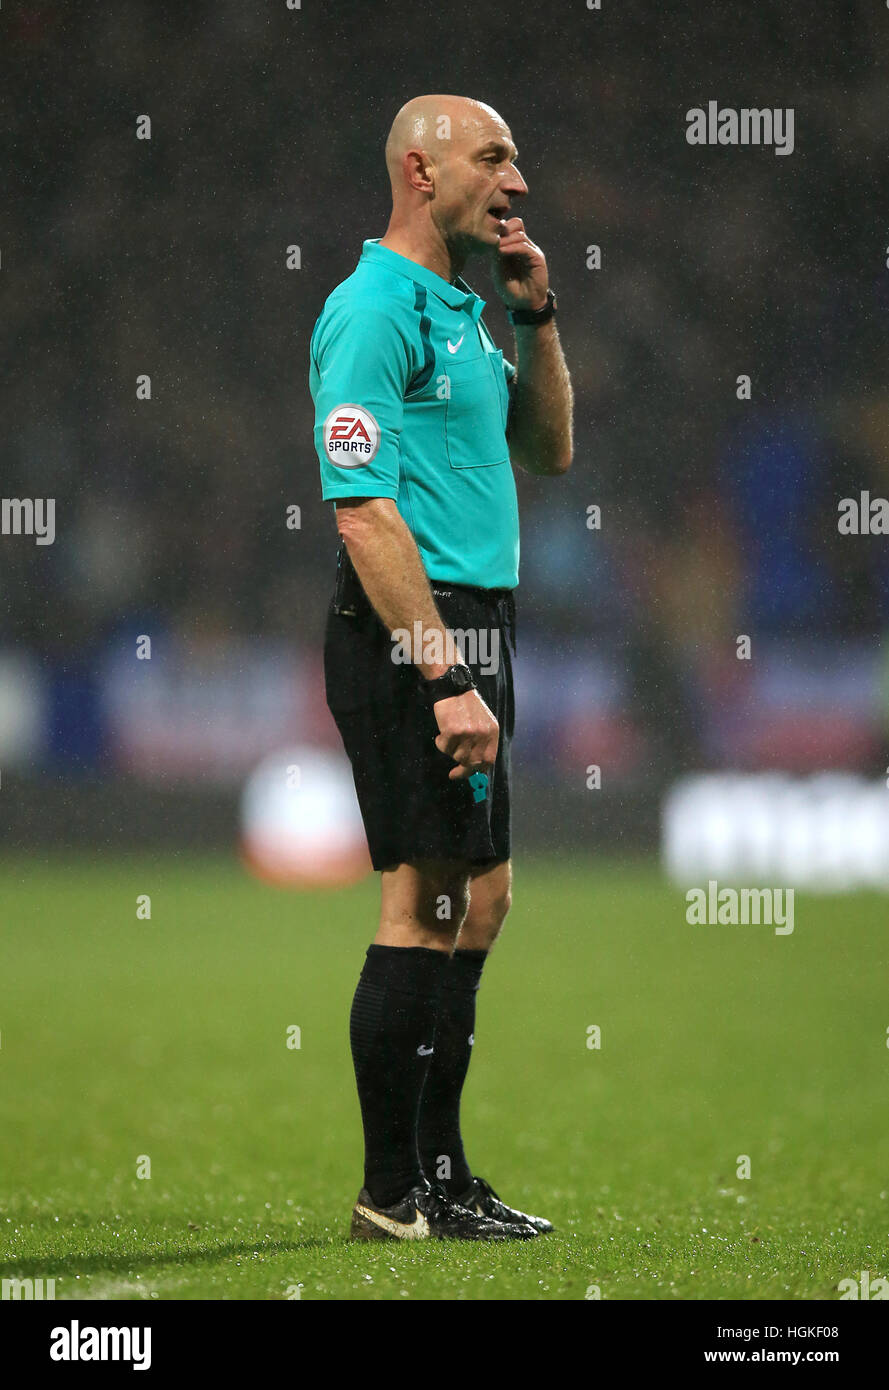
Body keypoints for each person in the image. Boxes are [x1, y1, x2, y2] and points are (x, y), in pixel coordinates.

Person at [309, 94, 573, 1240]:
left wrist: (537, 317)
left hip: (478, 622)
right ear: (421, 168)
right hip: (411, 628)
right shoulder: (369, 309)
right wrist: (441, 675)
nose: (516, 182)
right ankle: (387, 1190)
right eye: (495, 158)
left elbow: (551, 450)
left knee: (480, 899)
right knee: (422, 903)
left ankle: (442, 1172)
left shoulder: (464, 311)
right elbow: (362, 512)